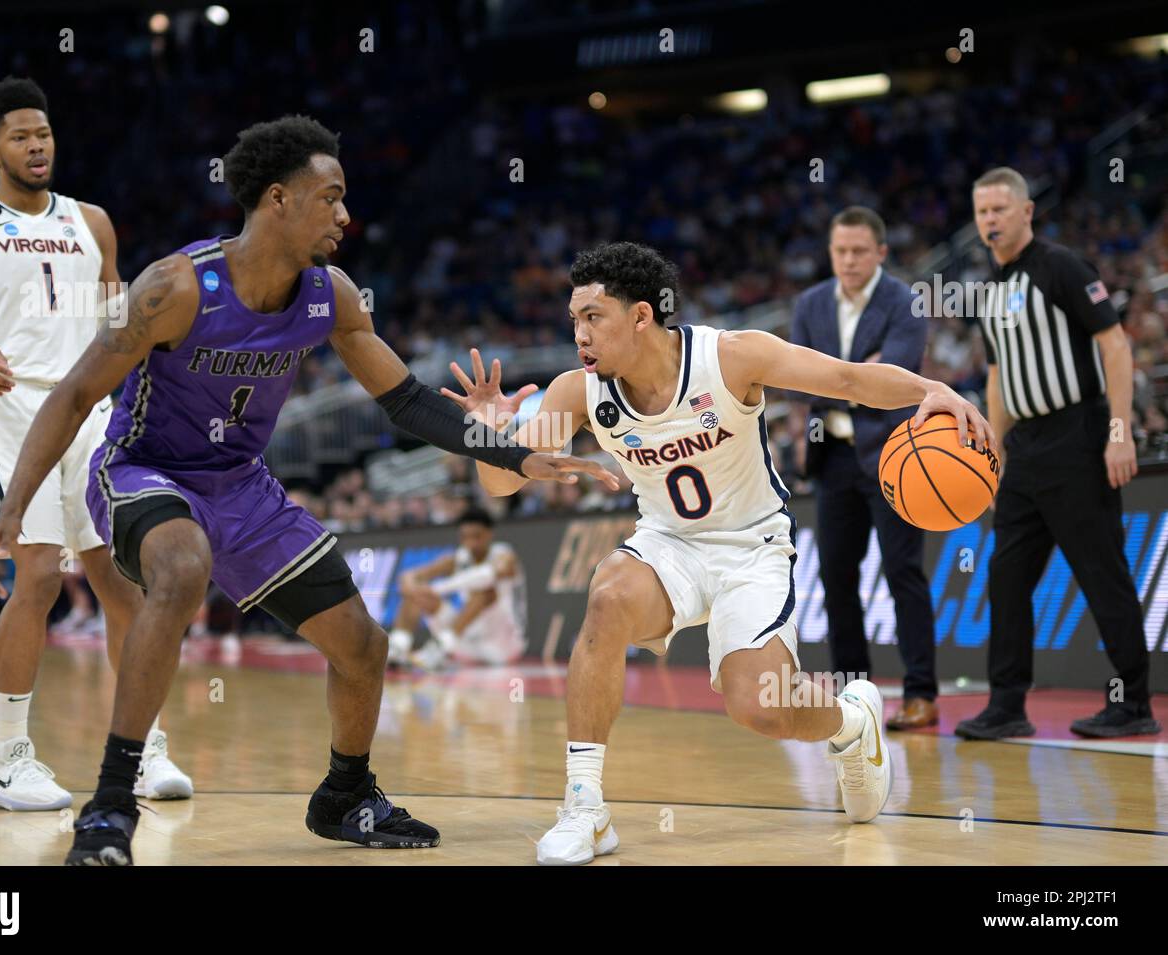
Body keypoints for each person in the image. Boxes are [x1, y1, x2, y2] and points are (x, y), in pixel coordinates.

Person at [0, 114, 616, 865]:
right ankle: (112, 805)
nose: (345, 216)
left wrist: (513, 451)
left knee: (364, 645)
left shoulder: (330, 294)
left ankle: (346, 792)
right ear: (277, 199)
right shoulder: (176, 287)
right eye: (330, 198)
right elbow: (76, 394)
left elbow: (404, 399)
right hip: (145, 470)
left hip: (241, 486)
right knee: (181, 568)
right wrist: (12, 510)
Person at [461, 241, 992, 865]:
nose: (579, 334)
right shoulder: (577, 394)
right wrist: (490, 440)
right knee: (606, 596)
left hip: (751, 549)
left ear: (640, 317)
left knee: (762, 707)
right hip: (667, 547)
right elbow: (502, 485)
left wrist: (935, 389)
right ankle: (586, 810)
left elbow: (846, 378)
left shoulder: (732, 356)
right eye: (574, 319)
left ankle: (850, 723)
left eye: (593, 318)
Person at [0, 76, 191, 810]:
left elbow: (116, 319)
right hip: (10, 404)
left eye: (42, 133)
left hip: (87, 406)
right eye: (19, 136)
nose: (36, 145)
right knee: (38, 575)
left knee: (120, 577)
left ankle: (142, 749)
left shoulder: (91, 220)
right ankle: (6, 758)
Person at [955, 167, 1160, 740]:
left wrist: (1120, 431)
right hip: (1023, 449)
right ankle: (1007, 705)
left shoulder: (1063, 267)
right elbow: (996, 377)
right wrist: (992, 457)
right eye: (982, 211)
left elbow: (1115, 345)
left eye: (999, 209)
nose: (989, 220)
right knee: (1006, 576)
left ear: (1026, 212)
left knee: (1102, 571)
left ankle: (1132, 701)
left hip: (1078, 433)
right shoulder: (987, 290)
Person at [791, 207, 939, 730]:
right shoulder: (810, 303)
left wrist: (839, 379)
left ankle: (921, 694)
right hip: (832, 460)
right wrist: (858, 377)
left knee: (904, 573)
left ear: (880, 252)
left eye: (859, 251)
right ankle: (855, 696)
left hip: (895, 457)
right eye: (840, 251)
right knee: (836, 578)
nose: (849, 260)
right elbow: (794, 381)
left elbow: (896, 374)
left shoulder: (904, 300)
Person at [388, 507, 527, 668]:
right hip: (466, 641)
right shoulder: (458, 558)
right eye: (465, 537)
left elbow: (486, 575)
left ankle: (440, 647)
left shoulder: (504, 555)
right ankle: (398, 648)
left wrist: (437, 588)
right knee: (419, 595)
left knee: (486, 591)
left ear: (489, 534)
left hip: (504, 646)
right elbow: (410, 576)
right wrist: (412, 586)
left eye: (476, 536)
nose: (471, 543)